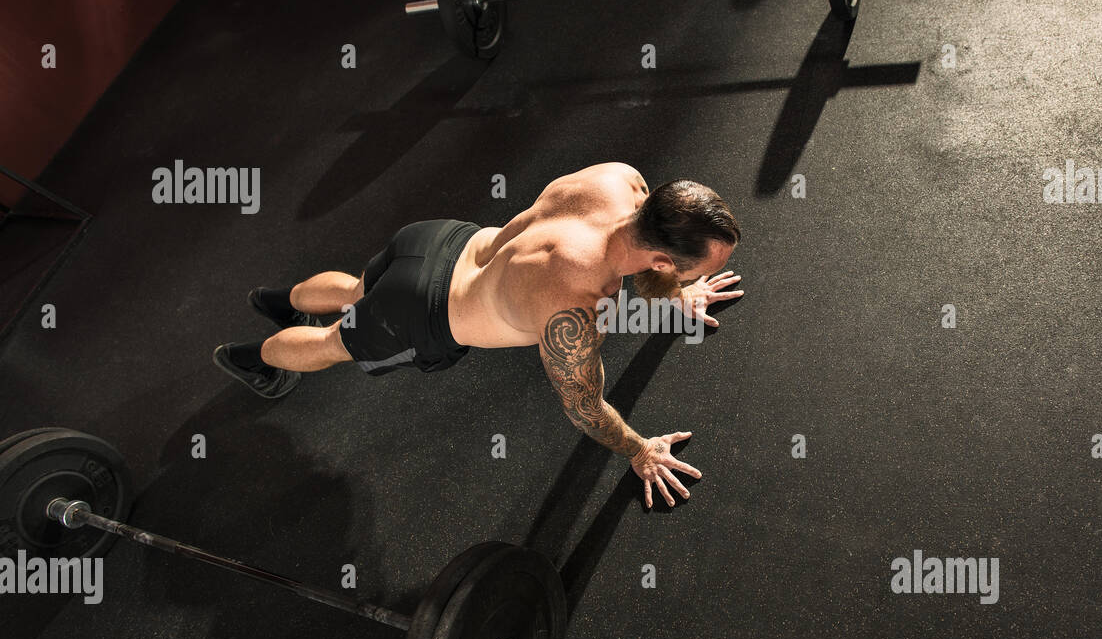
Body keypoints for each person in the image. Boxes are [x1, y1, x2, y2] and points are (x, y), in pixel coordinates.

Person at [214, 163, 742, 508]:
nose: (690, 279)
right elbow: (585, 408)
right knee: (333, 343)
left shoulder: (618, 182)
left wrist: (679, 295)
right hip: (420, 313)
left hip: (439, 241)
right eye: (692, 272)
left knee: (356, 288)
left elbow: (651, 262)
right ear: (663, 259)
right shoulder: (578, 307)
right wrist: (637, 449)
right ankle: (255, 357)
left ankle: (278, 299)